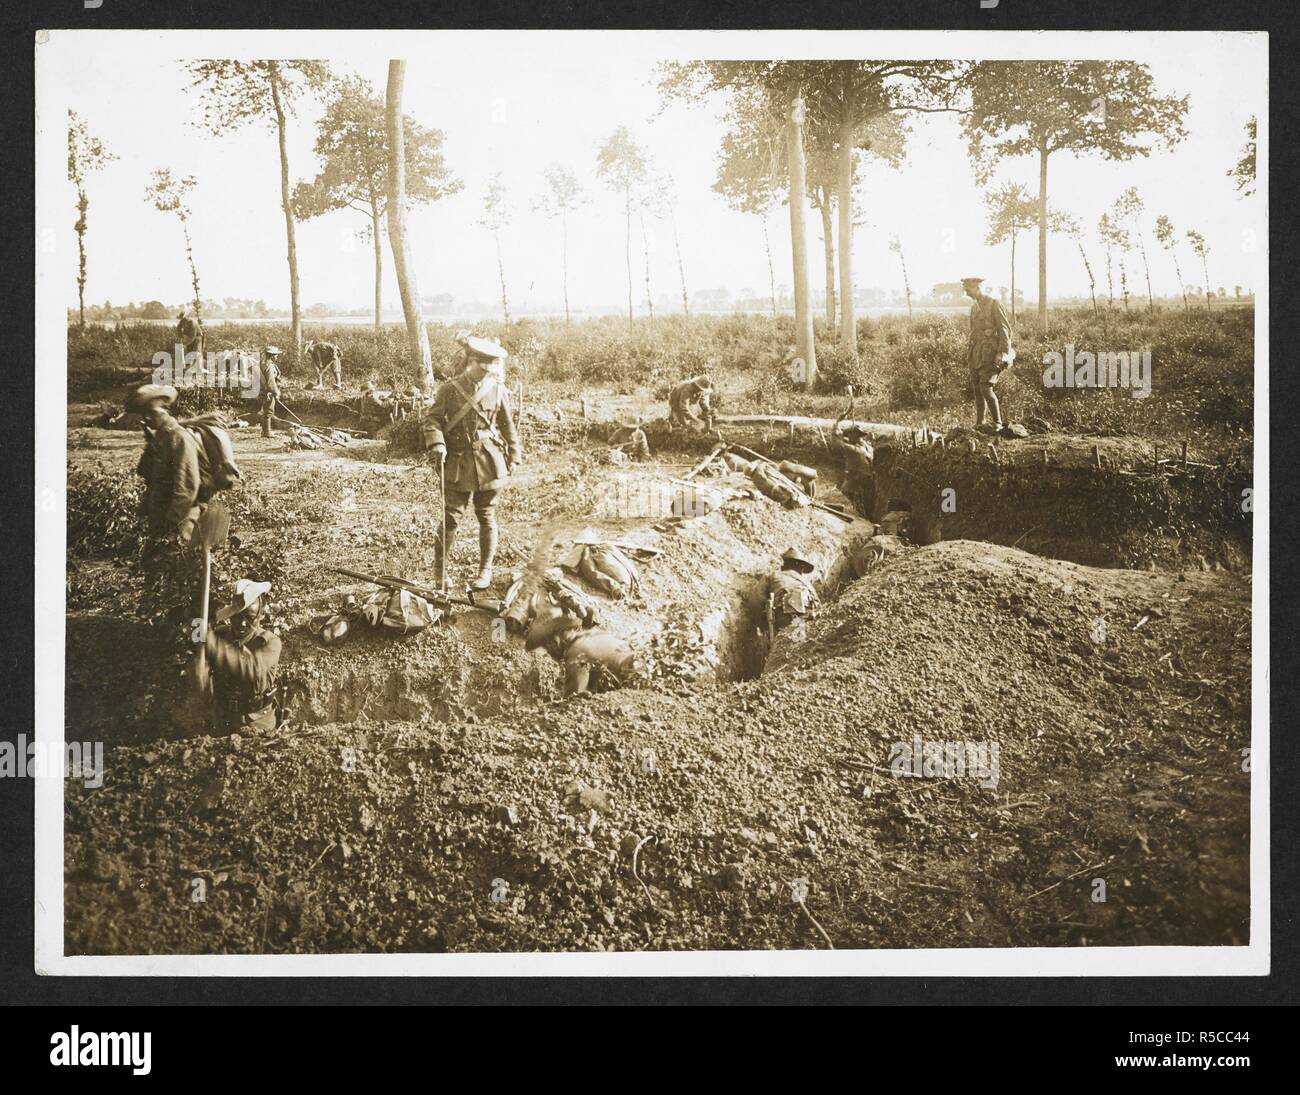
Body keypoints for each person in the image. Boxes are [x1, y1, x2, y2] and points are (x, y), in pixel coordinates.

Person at [424, 335, 522, 591]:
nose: (487, 373)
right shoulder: (449, 389)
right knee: (450, 519)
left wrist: (515, 453)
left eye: (491, 369)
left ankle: (485, 570)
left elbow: (507, 424)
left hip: (489, 461)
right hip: (457, 462)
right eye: (482, 368)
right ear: (471, 362)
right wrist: (437, 443)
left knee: (487, 516)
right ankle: (440, 573)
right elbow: (432, 419)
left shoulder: (497, 389)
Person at [129, 383, 204, 623]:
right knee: (155, 565)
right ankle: (158, 619)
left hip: (180, 519)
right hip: (160, 517)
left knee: (177, 569)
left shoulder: (179, 438)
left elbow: (187, 488)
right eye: (145, 415)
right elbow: (149, 476)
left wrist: (170, 525)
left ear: (160, 412)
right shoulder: (159, 438)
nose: (147, 419)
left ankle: (181, 624)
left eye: (150, 414)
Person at [204, 579, 283, 733]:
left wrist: (213, 645)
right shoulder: (220, 635)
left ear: (260, 616)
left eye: (249, 617)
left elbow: (250, 668)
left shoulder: (270, 642)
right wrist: (200, 624)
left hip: (257, 723)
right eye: (237, 617)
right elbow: (194, 640)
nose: (242, 624)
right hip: (223, 719)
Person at [525, 609, 639, 696]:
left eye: (547, 646)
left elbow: (574, 699)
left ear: (557, 638)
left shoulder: (576, 651)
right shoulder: (595, 634)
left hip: (633, 685)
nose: (550, 652)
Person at [962, 276, 1013, 433]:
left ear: (977, 288)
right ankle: (980, 422)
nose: (966, 292)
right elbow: (973, 332)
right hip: (977, 354)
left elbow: (1005, 329)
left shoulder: (993, 304)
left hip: (991, 354)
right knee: (977, 387)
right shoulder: (974, 307)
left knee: (986, 387)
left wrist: (1003, 353)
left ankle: (997, 422)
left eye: (968, 289)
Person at [766, 549, 820, 637]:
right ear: (800, 567)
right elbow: (818, 605)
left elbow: (756, 601)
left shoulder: (772, 576)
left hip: (783, 621)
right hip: (808, 621)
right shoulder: (808, 584)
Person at [829, 424, 876, 518]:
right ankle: (864, 514)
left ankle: (858, 512)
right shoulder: (868, 447)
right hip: (870, 479)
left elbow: (837, 445)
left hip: (858, 478)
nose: (848, 438)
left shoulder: (854, 450)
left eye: (849, 435)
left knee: (845, 492)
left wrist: (836, 428)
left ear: (854, 436)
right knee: (867, 502)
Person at [257, 345, 283, 438]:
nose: (277, 357)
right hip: (268, 391)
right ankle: (267, 432)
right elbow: (271, 382)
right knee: (268, 410)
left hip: (264, 390)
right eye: (276, 355)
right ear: (272, 356)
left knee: (266, 410)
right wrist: (276, 392)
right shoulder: (270, 366)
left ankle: (264, 431)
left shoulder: (263, 363)